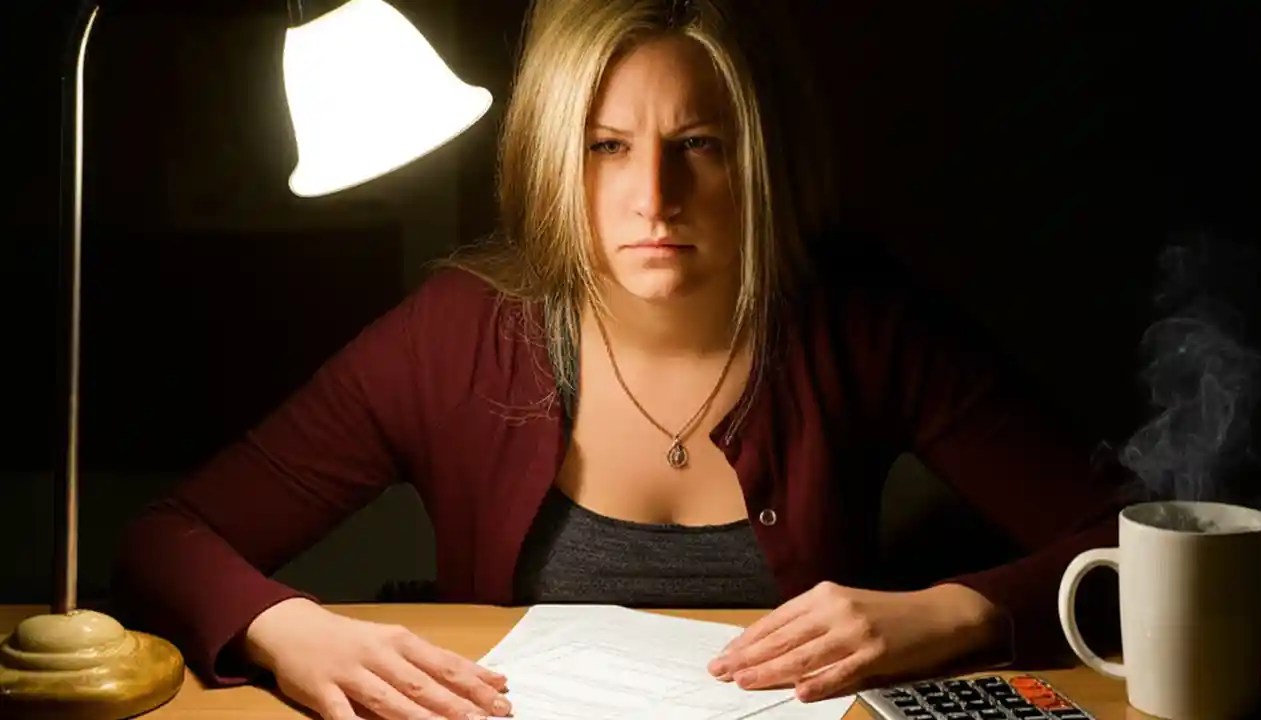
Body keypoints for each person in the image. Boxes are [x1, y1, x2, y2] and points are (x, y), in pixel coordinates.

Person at [112, 1, 1127, 719]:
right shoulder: (461, 330)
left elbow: (1139, 551)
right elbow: (164, 539)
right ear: (557, 155)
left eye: (698, 144)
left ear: (761, 157)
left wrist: (951, 613)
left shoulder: (855, 320)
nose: (653, 195)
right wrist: (287, 629)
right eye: (605, 147)